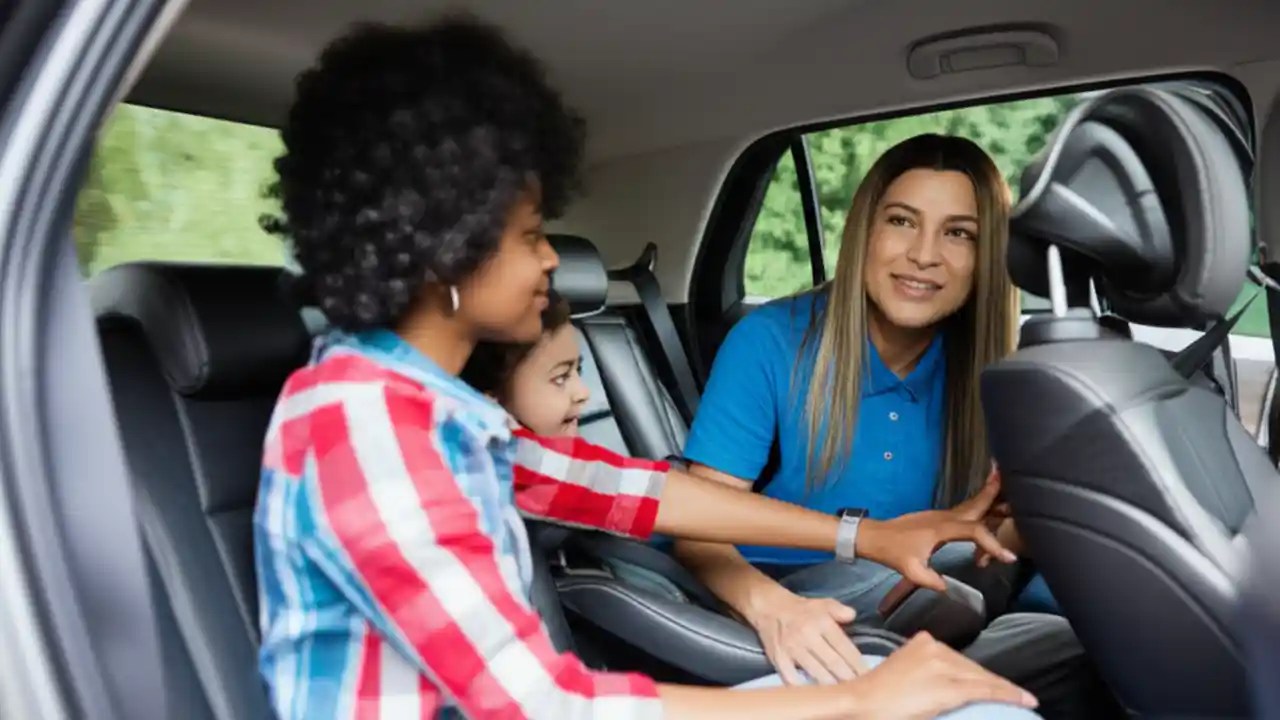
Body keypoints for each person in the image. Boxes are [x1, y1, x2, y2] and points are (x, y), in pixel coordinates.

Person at [253, 15, 1045, 720]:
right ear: (444, 248)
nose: (549, 264)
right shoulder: (360, 422)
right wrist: (856, 702)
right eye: (533, 236)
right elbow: (535, 703)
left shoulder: (451, 417)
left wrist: (867, 538)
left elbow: (646, 493)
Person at [672, 135, 1110, 717]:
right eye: (903, 221)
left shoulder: (989, 372)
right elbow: (696, 525)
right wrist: (772, 607)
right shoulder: (770, 344)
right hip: (785, 608)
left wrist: (1017, 529)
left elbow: (972, 547)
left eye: (959, 233)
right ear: (865, 232)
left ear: (987, 257)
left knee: (1088, 641)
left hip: (917, 610)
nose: (924, 254)